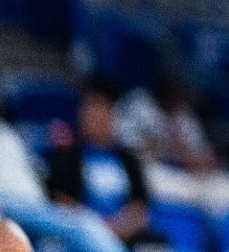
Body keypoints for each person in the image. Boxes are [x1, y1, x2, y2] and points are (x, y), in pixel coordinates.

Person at [0, 75, 123, 252]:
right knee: (86, 225)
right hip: (2, 204)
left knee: (63, 241)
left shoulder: (5, 132)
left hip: (36, 204)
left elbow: (34, 170)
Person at [46, 81, 164, 251]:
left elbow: (140, 207)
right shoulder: (67, 158)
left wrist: (120, 229)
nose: (97, 116)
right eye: (91, 108)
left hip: (127, 238)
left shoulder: (128, 159)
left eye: (103, 108)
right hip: (82, 239)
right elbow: (62, 203)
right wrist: (96, 230)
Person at [114, 78, 229, 219]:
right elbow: (129, 150)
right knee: (151, 180)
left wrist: (201, 160)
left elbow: (201, 153)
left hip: (188, 176)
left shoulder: (184, 114)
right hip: (159, 173)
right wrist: (164, 149)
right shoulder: (139, 106)